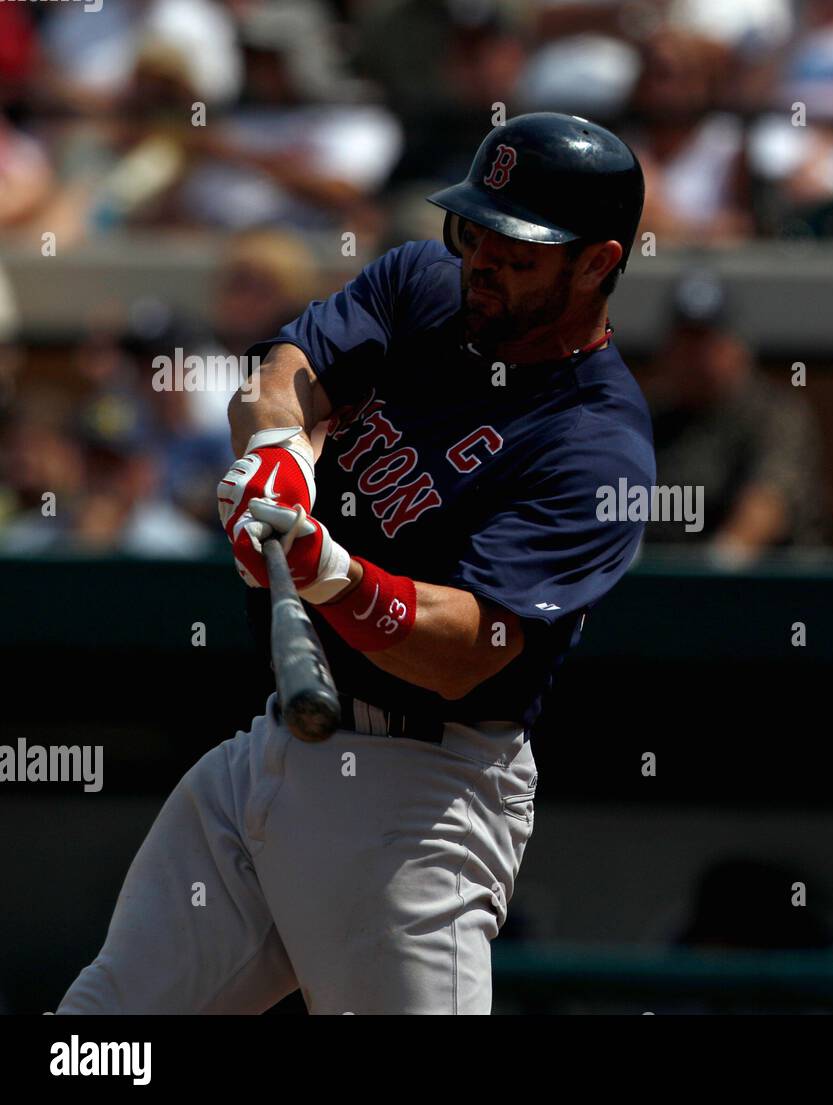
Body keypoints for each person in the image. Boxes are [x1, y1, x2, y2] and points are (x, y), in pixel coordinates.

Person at [57, 113, 654, 1014]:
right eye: (475, 232)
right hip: (271, 751)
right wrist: (276, 450)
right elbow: (287, 369)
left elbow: (469, 649)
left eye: (518, 250)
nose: (483, 262)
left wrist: (332, 572)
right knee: (102, 1031)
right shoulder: (425, 283)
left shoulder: (596, 443)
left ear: (598, 263)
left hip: (418, 797)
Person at [642, 269, 826, 563]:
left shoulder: (774, 413)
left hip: (764, 590)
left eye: (708, 342)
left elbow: (768, 504)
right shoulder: (649, 414)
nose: (696, 357)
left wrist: (717, 565)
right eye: (686, 342)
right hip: (668, 586)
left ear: (737, 347)